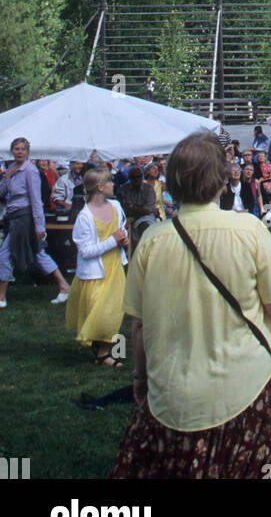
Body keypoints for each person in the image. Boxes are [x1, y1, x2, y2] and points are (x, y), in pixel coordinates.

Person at [111, 131, 271, 480]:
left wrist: (140, 377)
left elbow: (139, 325)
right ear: (222, 180)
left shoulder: (151, 242)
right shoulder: (250, 230)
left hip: (173, 394)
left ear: (173, 180)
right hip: (246, 391)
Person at [66, 166, 128, 366]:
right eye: (110, 182)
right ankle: (101, 351)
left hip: (115, 268)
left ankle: (105, 353)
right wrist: (113, 240)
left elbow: (121, 231)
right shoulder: (84, 217)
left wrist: (123, 241)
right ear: (100, 188)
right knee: (99, 312)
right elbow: (85, 251)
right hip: (95, 272)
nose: (113, 185)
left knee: (113, 312)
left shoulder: (116, 206)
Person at [0, 138, 71, 308]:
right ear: (12, 151)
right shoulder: (11, 169)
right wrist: (4, 178)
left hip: (25, 218)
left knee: (4, 254)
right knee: (38, 254)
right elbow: (2, 192)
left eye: (22, 149)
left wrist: (40, 226)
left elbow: (36, 200)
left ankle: (1, 296)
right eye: (16, 149)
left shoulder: (30, 171)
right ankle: (64, 286)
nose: (19, 152)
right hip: (13, 216)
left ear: (27, 152)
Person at [118, 167, 158, 249]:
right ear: (130, 178)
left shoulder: (148, 188)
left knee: (144, 226)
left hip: (146, 218)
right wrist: (138, 209)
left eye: (139, 176)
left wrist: (131, 207)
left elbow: (148, 210)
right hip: (128, 218)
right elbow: (122, 208)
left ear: (142, 176)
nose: (137, 179)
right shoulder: (124, 189)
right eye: (134, 177)